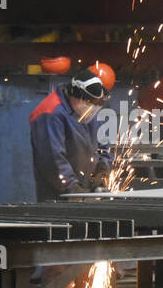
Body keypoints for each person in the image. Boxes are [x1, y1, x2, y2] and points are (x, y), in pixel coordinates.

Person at [29, 63, 114, 201]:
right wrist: (74, 191)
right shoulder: (50, 114)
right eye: (90, 103)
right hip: (59, 197)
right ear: (77, 97)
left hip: (86, 190)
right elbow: (52, 160)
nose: (92, 109)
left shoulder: (87, 109)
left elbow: (103, 143)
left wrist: (102, 170)